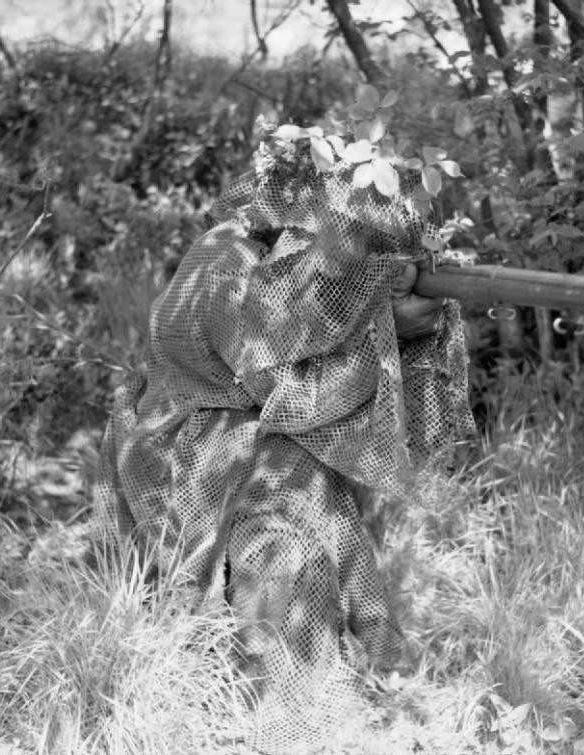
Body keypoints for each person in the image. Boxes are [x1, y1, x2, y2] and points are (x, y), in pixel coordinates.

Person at [92, 129, 475, 753]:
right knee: (296, 524)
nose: (341, 249)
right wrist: (385, 327)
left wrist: (387, 313)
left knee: (324, 507)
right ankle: (287, 688)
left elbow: (311, 333)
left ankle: (378, 663)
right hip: (186, 443)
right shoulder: (226, 265)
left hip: (241, 428)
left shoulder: (274, 258)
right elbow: (290, 394)